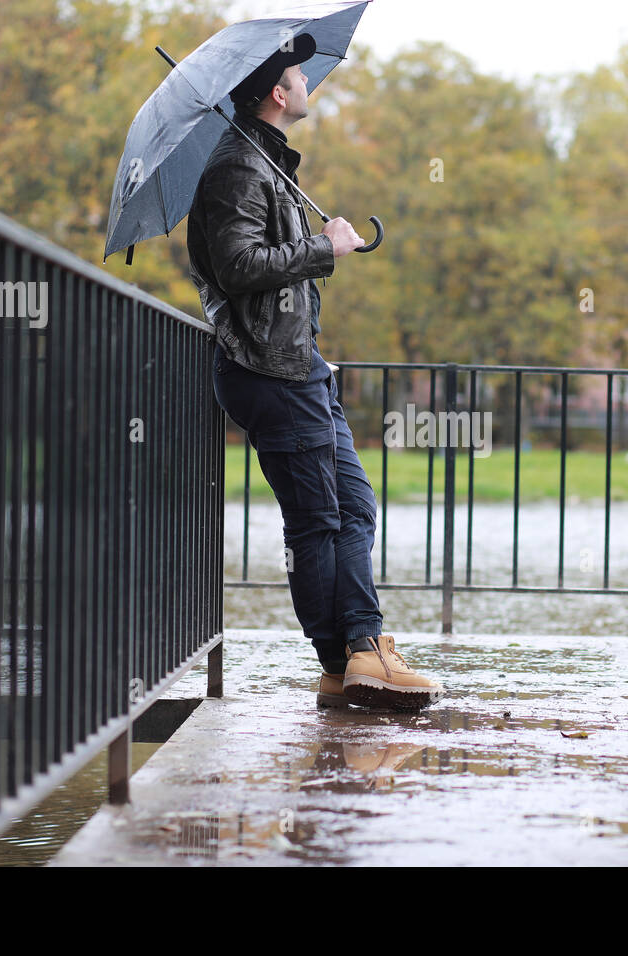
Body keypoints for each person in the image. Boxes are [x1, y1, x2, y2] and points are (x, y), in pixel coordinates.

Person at [186, 34, 442, 711]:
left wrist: (322, 244)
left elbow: (272, 263)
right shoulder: (237, 168)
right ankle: (348, 658)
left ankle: (361, 650)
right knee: (316, 523)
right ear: (278, 92)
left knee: (351, 507)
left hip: (301, 369)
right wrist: (320, 247)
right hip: (270, 372)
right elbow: (240, 268)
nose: (306, 81)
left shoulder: (263, 163)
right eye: (298, 73)